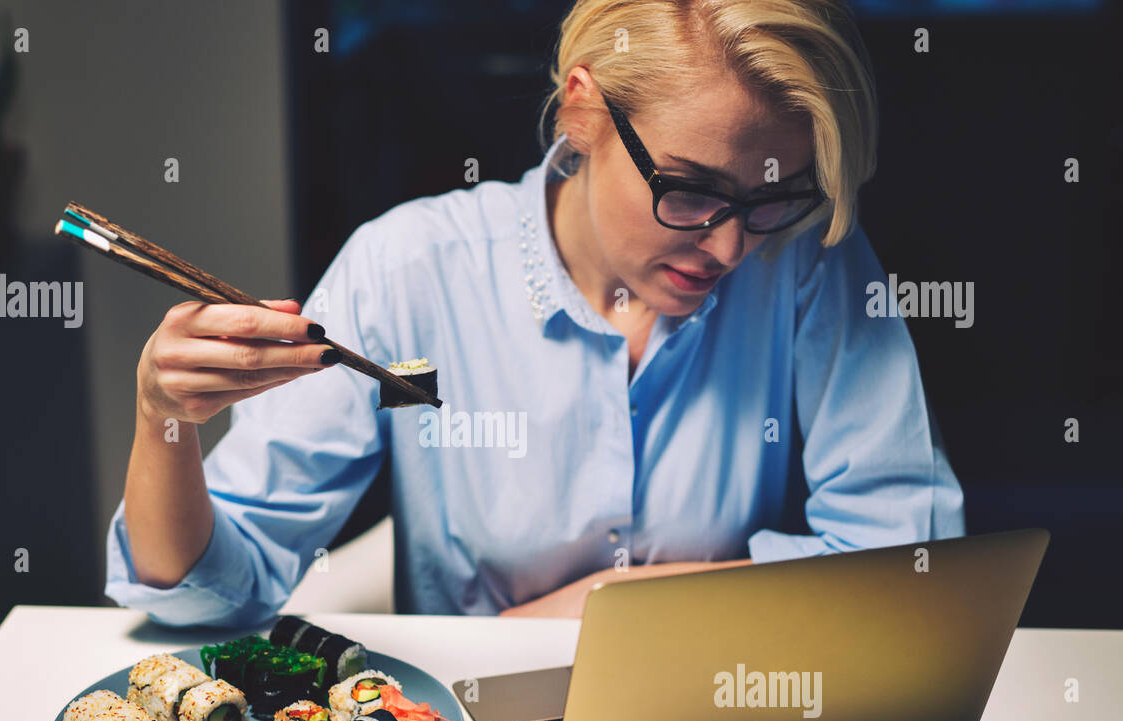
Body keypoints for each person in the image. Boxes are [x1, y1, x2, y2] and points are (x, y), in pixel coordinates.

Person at [106, 0, 964, 627]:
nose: (733, 248)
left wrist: (601, 605)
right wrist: (162, 423)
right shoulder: (412, 276)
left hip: (724, 719)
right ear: (583, 111)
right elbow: (206, 594)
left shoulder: (806, 260)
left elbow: (908, 563)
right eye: (694, 190)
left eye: (773, 200)